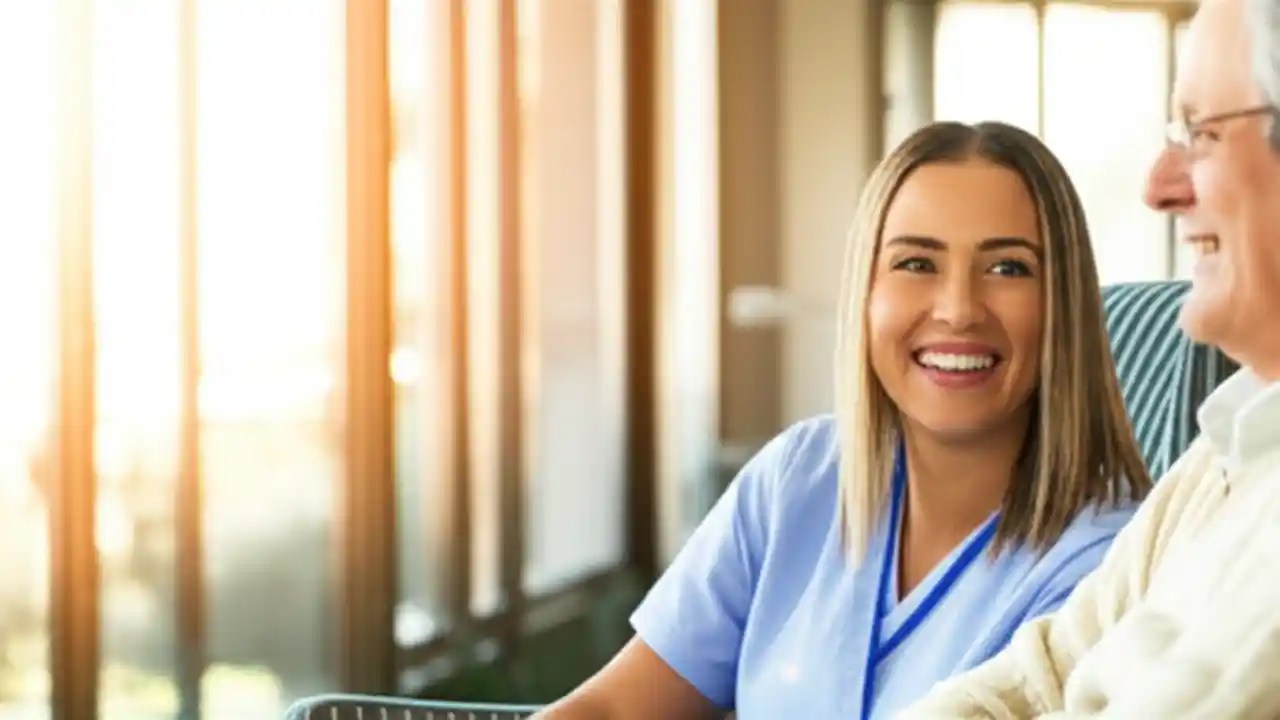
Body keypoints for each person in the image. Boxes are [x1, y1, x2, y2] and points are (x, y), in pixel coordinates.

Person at [535, 121, 1150, 720]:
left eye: (1008, 268)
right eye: (916, 263)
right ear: (866, 291)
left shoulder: (1110, 564)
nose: (959, 310)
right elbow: (615, 706)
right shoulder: (795, 481)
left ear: (1064, 307)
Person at [899, 0, 1280, 718]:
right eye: (914, 262)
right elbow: (1032, 678)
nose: (1158, 187)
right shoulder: (1227, 449)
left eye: (1200, 134)